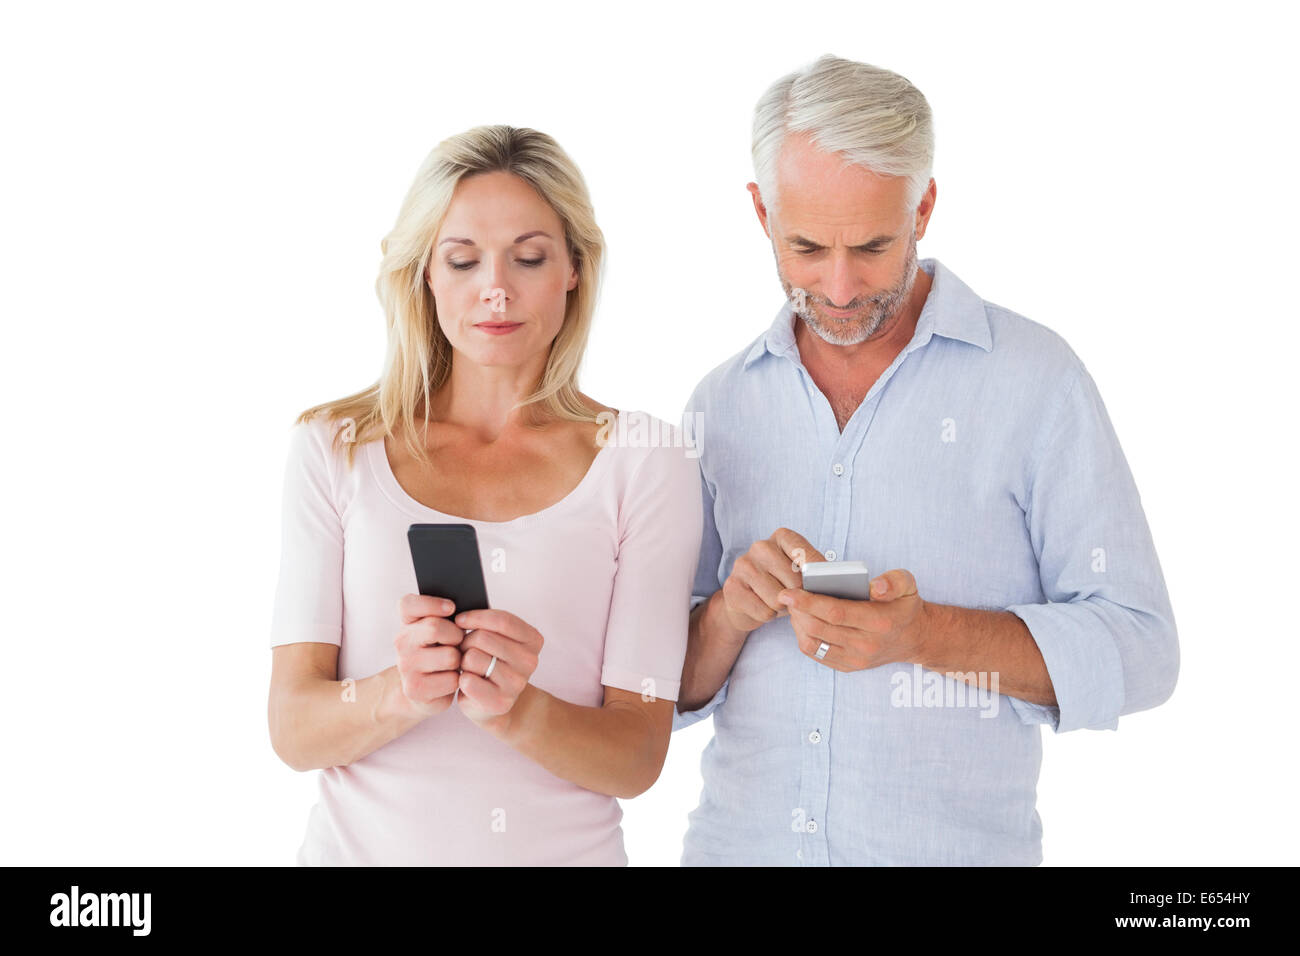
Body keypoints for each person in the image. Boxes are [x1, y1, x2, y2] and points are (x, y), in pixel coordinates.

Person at [674, 55, 1179, 865]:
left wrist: (925, 635)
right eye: (806, 246)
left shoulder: (1035, 383)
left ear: (926, 206)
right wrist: (729, 615)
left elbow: (1143, 650)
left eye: (872, 246)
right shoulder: (720, 403)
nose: (838, 289)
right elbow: (664, 687)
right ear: (760, 211)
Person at [267, 125, 702, 865]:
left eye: (528, 258)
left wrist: (518, 710)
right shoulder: (335, 447)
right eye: (463, 260)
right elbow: (294, 728)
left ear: (574, 267)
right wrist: (400, 692)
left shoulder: (646, 460)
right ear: (425, 274)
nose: (495, 288)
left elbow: (636, 756)